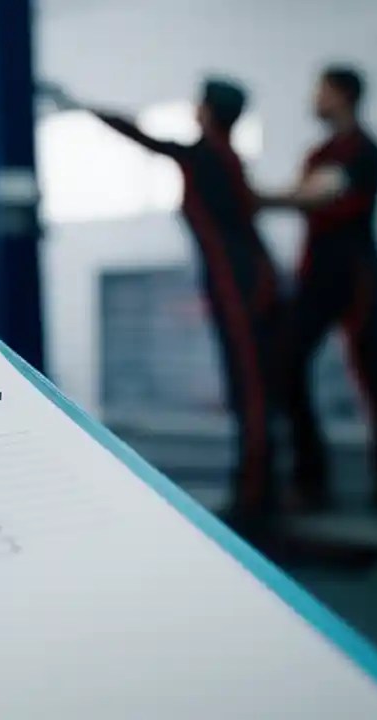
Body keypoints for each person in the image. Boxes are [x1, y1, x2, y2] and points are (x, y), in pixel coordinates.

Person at [90, 79, 283, 527]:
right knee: (248, 389)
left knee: (252, 391)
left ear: (209, 111)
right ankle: (255, 492)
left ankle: (256, 496)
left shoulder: (209, 155)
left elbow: (146, 139)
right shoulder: (219, 156)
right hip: (239, 282)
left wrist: (89, 110)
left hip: (241, 285)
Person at [261, 65, 377, 511]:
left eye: (322, 91)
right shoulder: (319, 152)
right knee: (287, 364)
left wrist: (249, 196)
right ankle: (311, 479)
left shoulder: (364, 151)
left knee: (372, 374)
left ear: (343, 95)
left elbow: (314, 195)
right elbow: (302, 192)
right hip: (317, 275)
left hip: (355, 273)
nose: (314, 99)